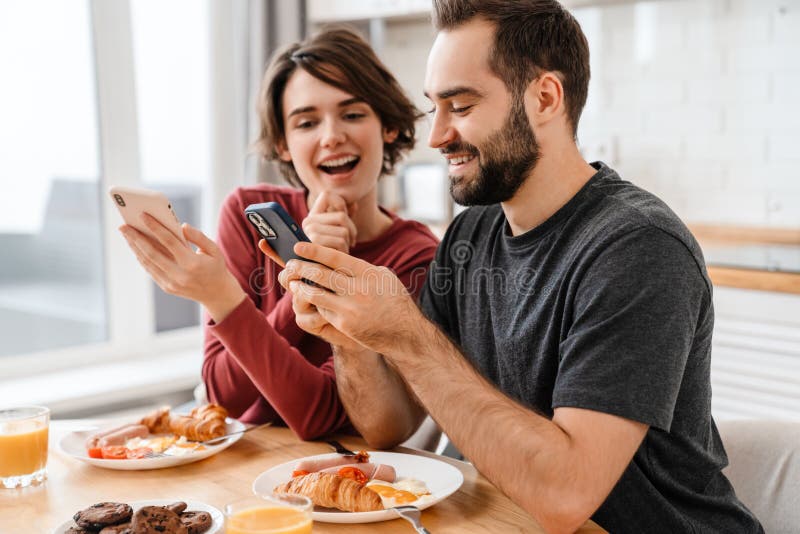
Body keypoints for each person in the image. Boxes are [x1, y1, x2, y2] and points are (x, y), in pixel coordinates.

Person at [273, 1, 764, 532]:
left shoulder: (637, 248)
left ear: (544, 98)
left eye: (459, 105)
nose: (436, 136)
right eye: (434, 107)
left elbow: (564, 495)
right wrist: (350, 334)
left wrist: (409, 334)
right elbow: (389, 424)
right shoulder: (472, 231)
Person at [119, 28, 438, 440]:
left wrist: (267, 286)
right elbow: (223, 396)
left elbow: (318, 415)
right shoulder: (247, 213)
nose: (331, 136)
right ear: (283, 144)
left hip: (333, 470)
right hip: (244, 472)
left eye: (353, 114)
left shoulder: (415, 256)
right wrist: (286, 282)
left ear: (388, 127)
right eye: (306, 122)